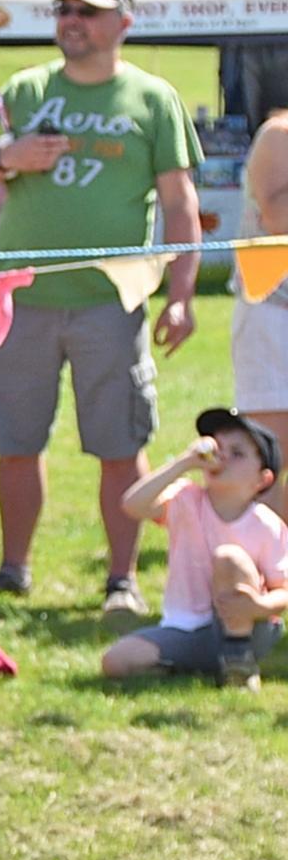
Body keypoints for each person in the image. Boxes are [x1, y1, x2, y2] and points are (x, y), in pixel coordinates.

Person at [0, 0, 202, 612]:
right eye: (63, 9)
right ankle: (13, 569)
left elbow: (179, 204)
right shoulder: (22, 91)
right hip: (21, 303)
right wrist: (12, 157)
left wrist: (181, 293)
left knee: (120, 445)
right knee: (15, 442)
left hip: (111, 303)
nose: (71, 20)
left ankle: (123, 580)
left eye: (87, 11)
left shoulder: (153, 98)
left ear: (124, 23)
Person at [102, 411, 288, 688]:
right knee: (115, 661)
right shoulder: (186, 499)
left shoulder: (266, 524)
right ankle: (200, 666)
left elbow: (282, 590)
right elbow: (133, 504)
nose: (222, 458)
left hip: (249, 628)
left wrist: (258, 606)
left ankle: (239, 659)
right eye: (217, 447)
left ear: (263, 480)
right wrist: (183, 463)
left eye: (237, 453)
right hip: (186, 627)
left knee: (229, 558)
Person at [232, 105, 288, 519]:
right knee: (271, 457)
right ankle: (267, 570)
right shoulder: (278, 135)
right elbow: (278, 217)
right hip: (273, 314)